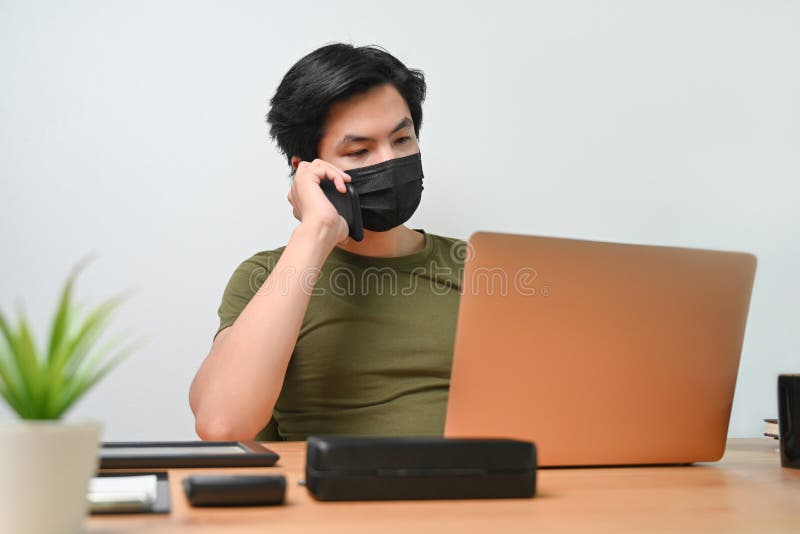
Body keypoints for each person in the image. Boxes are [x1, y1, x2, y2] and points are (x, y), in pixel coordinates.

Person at [189, 43, 466, 441]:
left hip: (472, 493)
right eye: (359, 151)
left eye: (402, 140)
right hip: (329, 497)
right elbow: (222, 425)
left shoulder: (481, 267)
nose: (388, 161)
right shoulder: (265, 276)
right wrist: (314, 233)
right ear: (308, 171)